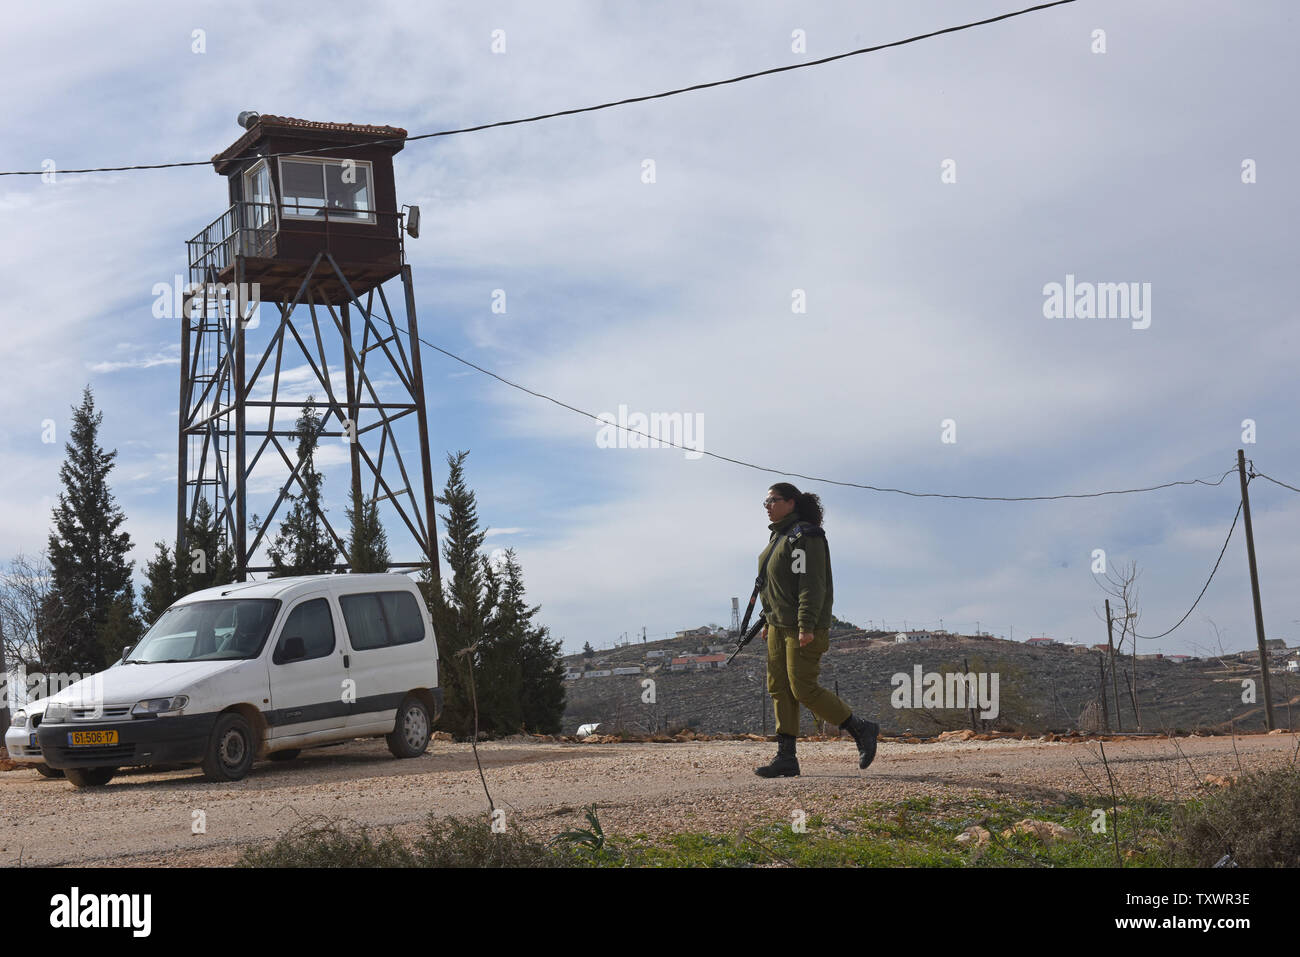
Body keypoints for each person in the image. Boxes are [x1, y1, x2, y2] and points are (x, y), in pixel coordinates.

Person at [754, 482, 879, 777]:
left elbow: (811, 584)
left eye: (773, 500)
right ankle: (787, 757)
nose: (767, 506)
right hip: (777, 626)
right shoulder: (778, 538)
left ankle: (861, 729)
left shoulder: (804, 537)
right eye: (766, 502)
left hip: (801, 627)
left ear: (791, 503)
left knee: (803, 689)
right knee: (779, 689)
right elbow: (778, 586)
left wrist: (806, 624)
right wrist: (767, 618)